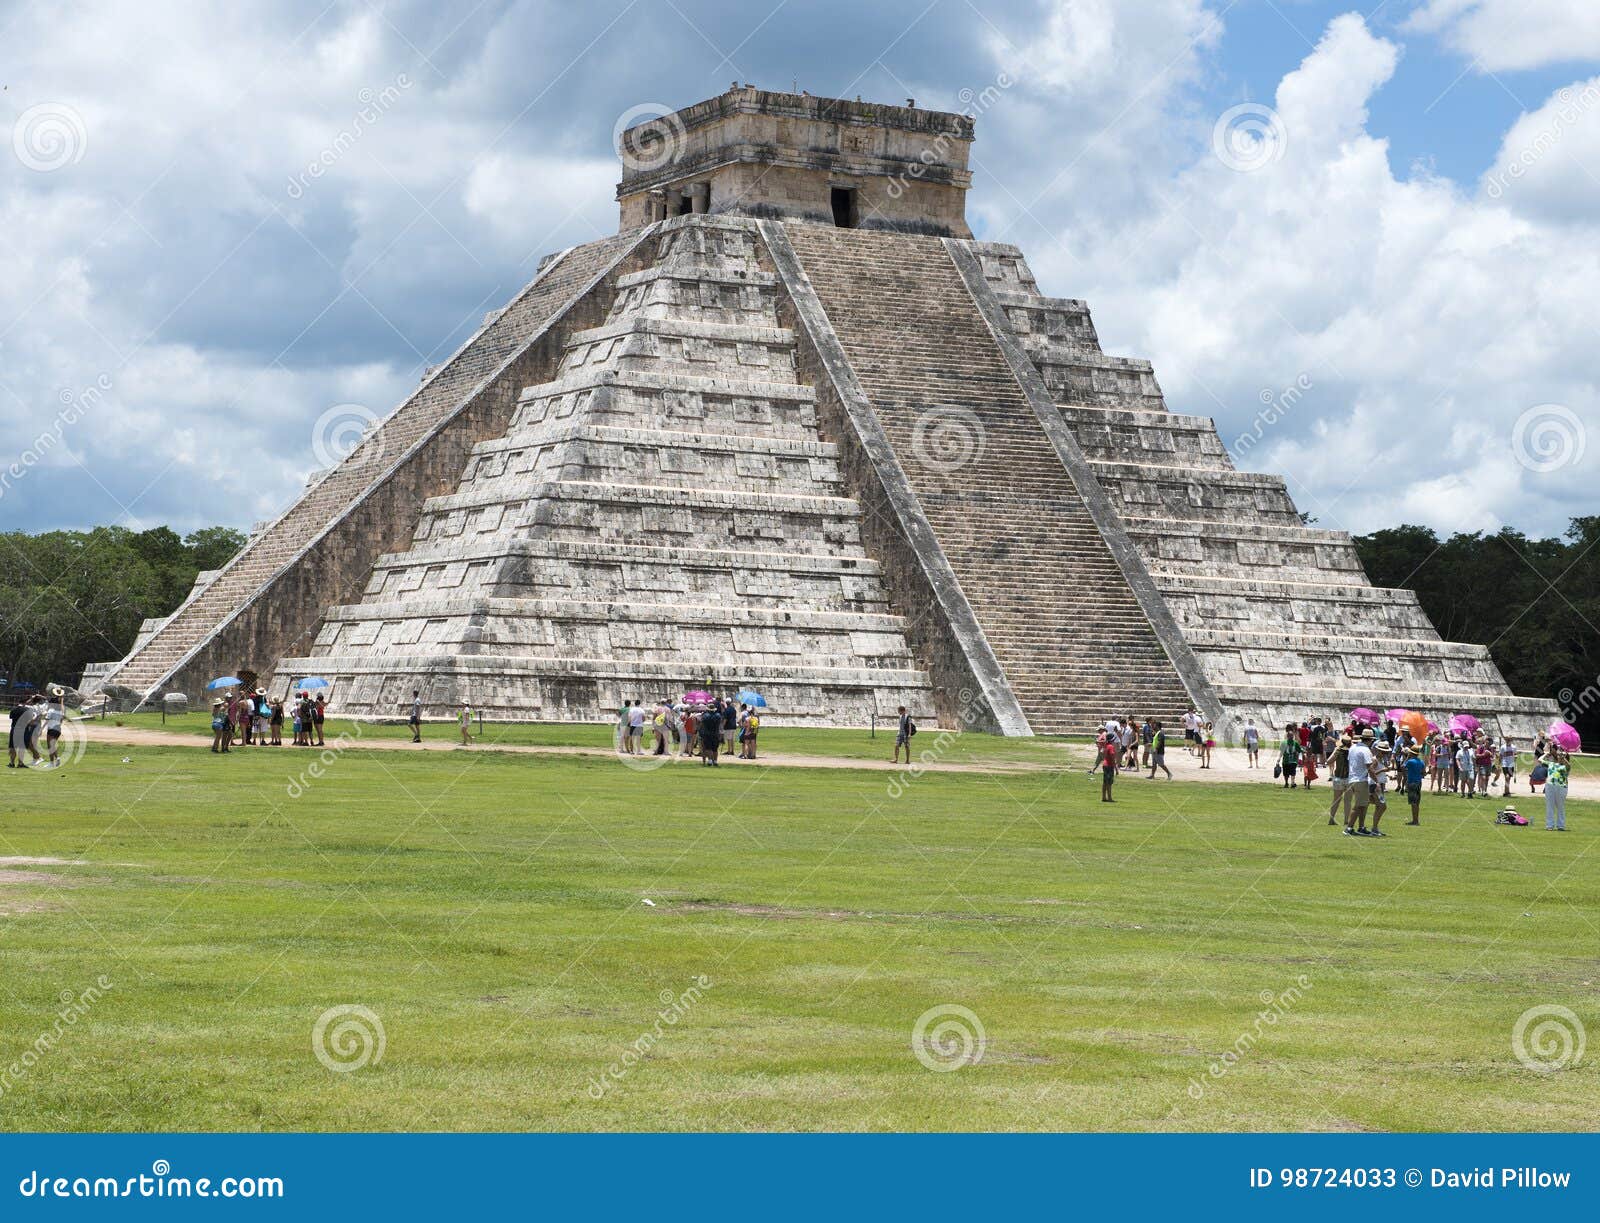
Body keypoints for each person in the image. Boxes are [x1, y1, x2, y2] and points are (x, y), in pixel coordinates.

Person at [1344, 731, 1375, 837]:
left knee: (1363, 805)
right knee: (1358, 805)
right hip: (1360, 780)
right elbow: (1369, 767)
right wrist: (1376, 780)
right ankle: (1349, 828)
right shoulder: (1366, 750)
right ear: (1370, 740)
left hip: (1352, 779)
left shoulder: (1353, 748)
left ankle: (1361, 827)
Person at [1368, 741, 1392, 835]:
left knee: (1379, 806)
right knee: (1382, 806)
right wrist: (1383, 770)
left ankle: (1374, 828)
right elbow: (1371, 773)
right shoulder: (1375, 760)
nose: (1384, 753)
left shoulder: (1380, 760)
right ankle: (1374, 828)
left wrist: (1387, 774)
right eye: (1383, 752)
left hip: (1379, 785)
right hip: (1375, 785)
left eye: (1385, 752)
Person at [1327, 735, 1350, 826]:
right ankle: (1346, 821)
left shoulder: (1338, 750)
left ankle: (1331, 819)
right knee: (1347, 800)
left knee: (1336, 800)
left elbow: (1329, 761)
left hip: (1338, 777)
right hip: (1348, 777)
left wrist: (1335, 752)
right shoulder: (1351, 751)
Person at [1544, 749, 1570, 831]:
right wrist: (1546, 754)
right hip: (1550, 786)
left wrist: (1564, 758)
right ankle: (1549, 825)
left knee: (1560, 806)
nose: (1559, 757)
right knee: (1550, 806)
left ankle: (1561, 825)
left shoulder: (1565, 766)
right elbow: (1540, 760)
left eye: (1561, 756)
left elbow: (1569, 766)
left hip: (1562, 787)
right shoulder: (1552, 764)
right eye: (1558, 756)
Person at [1402, 746, 1425, 825]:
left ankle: (1415, 821)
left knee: (1413, 802)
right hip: (1419, 782)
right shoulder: (1421, 762)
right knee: (1417, 802)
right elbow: (1423, 773)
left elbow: (1403, 767)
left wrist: (1407, 757)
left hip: (1412, 782)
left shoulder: (1410, 761)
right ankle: (1416, 820)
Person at [1279, 724, 1300, 789]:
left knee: (1292, 771)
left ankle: (1292, 783)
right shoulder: (1287, 737)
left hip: (1292, 758)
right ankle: (1288, 783)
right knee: (1287, 772)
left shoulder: (1294, 735)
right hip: (1288, 758)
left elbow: (1298, 742)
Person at [1099, 733, 1118, 802]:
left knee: (1105, 782)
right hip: (1109, 766)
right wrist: (1116, 769)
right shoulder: (1111, 746)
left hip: (1105, 765)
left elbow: (1102, 753)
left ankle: (1104, 797)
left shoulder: (1106, 745)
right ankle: (1109, 797)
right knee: (1109, 783)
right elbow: (1112, 758)